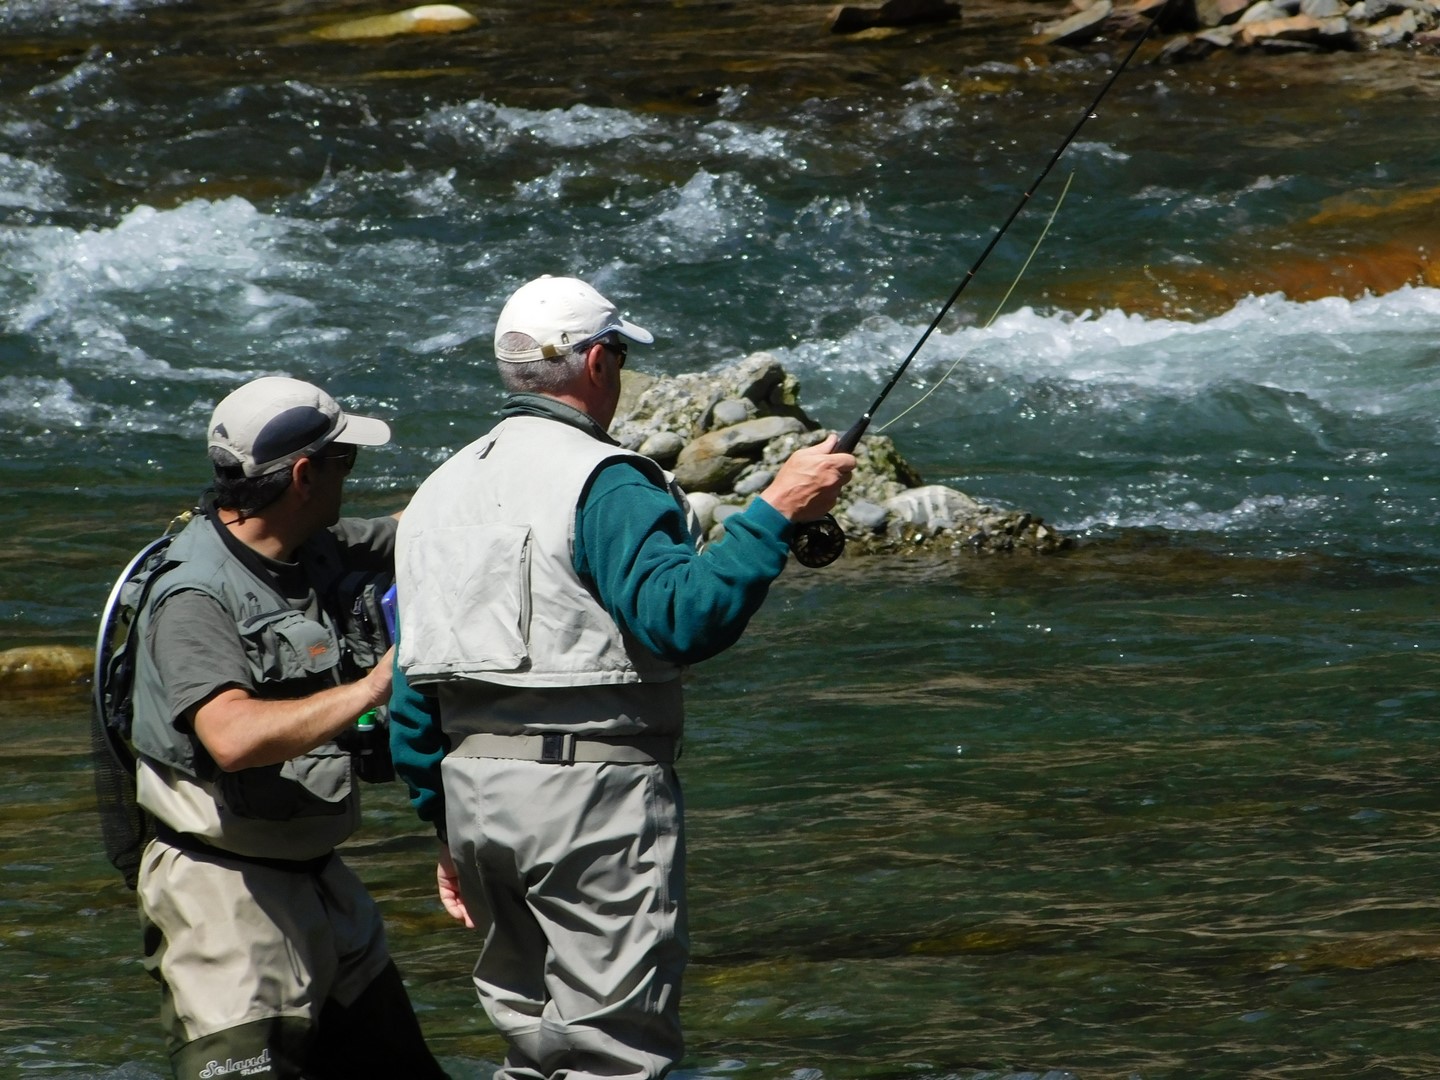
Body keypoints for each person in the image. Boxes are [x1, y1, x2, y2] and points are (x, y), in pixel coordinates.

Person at [390, 275, 856, 1079]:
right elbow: (682, 619)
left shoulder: (437, 491)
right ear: (600, 360)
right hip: (586, 800)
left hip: (472, 801)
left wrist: (443, 826)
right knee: (613, 1054)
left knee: (530, 1046)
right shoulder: (605, 480)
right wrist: (775, 512)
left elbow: (411, 689)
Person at [127, 376, 448, 1080]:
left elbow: (423, 530)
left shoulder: (315, 546)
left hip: (321, 886)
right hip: (227, 903)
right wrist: (373, 686)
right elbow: (231, 736)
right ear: (305, 474)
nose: (350, 478)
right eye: (345, 462)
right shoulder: (193, 594)